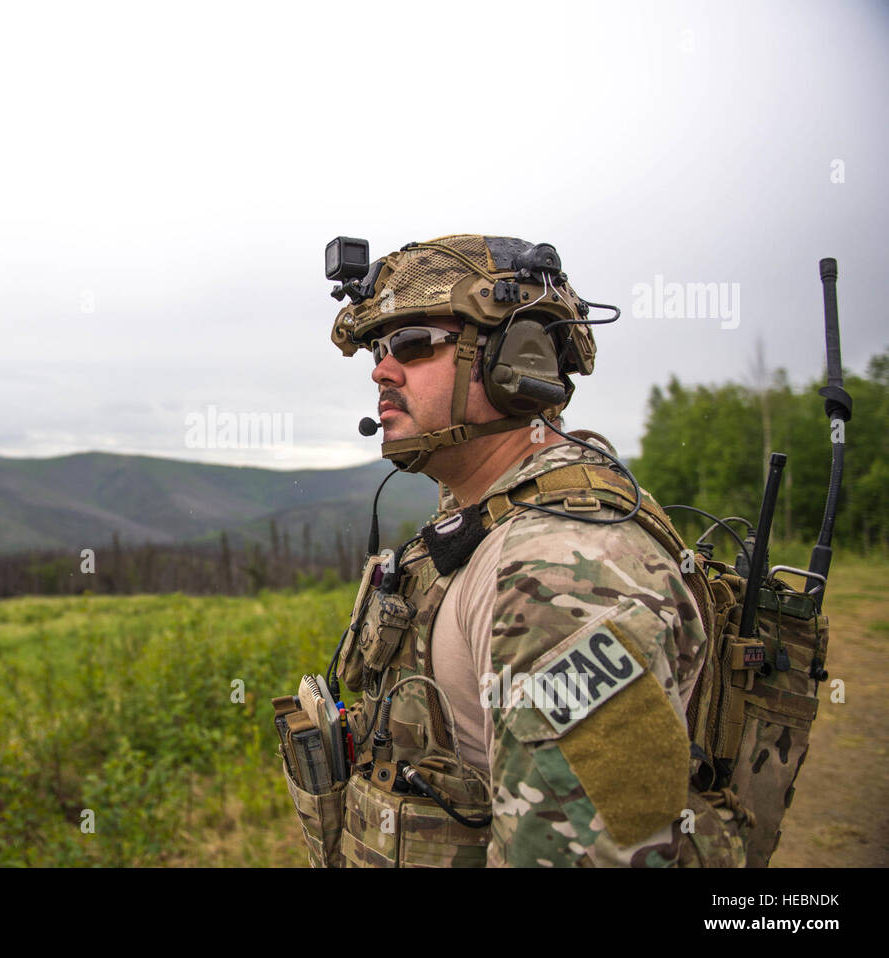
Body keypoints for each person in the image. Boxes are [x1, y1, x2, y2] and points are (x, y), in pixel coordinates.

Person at [280, 233, 747, 867]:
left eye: (411, 344)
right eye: (376, 349)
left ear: (515, 360)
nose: (380, 371)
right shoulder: (482, 521)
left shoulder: (563, 570)